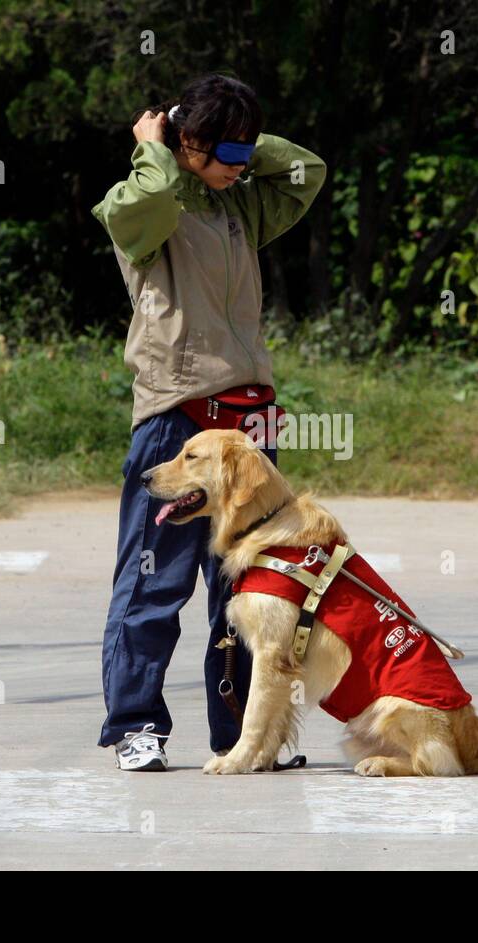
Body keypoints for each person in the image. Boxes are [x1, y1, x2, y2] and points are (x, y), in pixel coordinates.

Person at [91, 73, 326, 770]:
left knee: (250, 587)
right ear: (184, 140)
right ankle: (136, 724)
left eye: (248, 153)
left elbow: (308, 169)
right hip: (177, 422)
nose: (240, 165)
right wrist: (155, 144)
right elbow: (152, 194)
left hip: (249, 428)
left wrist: (243, 146)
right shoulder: (142, 204)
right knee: (154, 584)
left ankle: (244, 736)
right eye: (225, 150)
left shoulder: (240, 204)